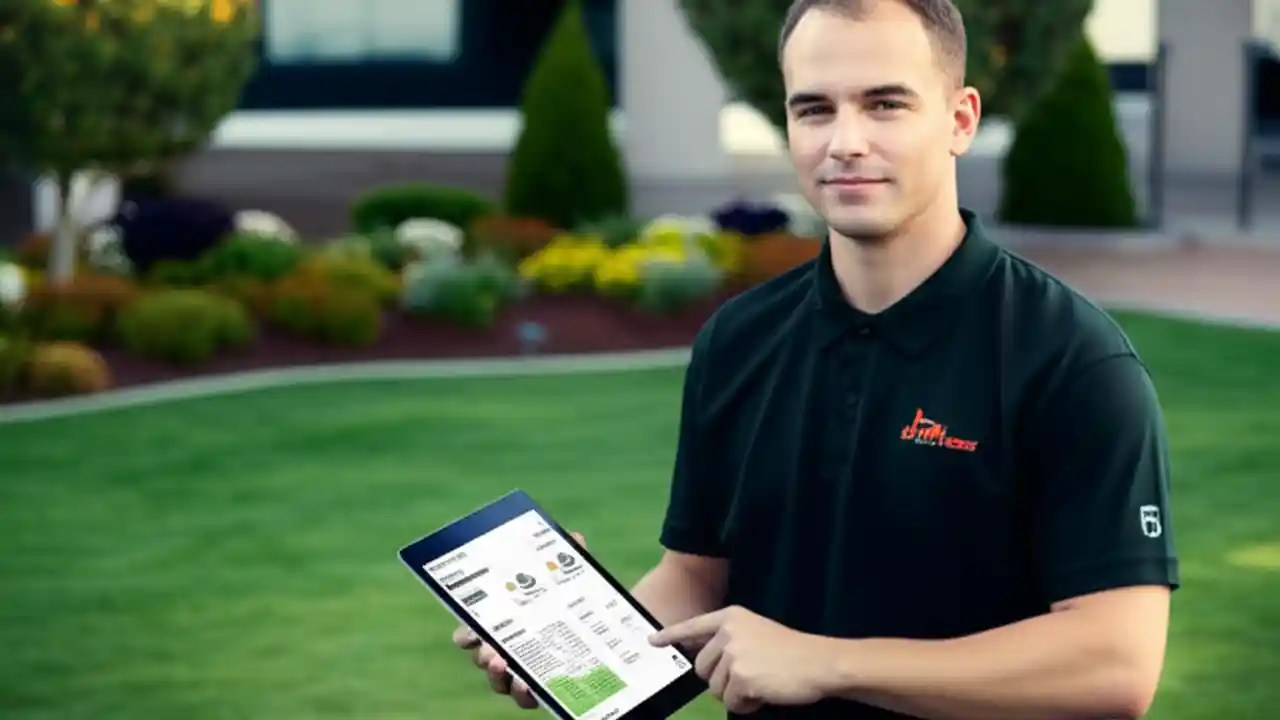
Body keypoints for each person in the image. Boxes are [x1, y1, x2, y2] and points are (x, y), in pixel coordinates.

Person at [452, 0, 1180, 717]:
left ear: (959, 119)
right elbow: (698, 580)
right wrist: (576, 641)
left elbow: (1114, 664)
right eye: (815, 109)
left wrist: (826, 662)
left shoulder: (1072, 361)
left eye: (885, 104)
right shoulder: (738, 339)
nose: (846, 141)